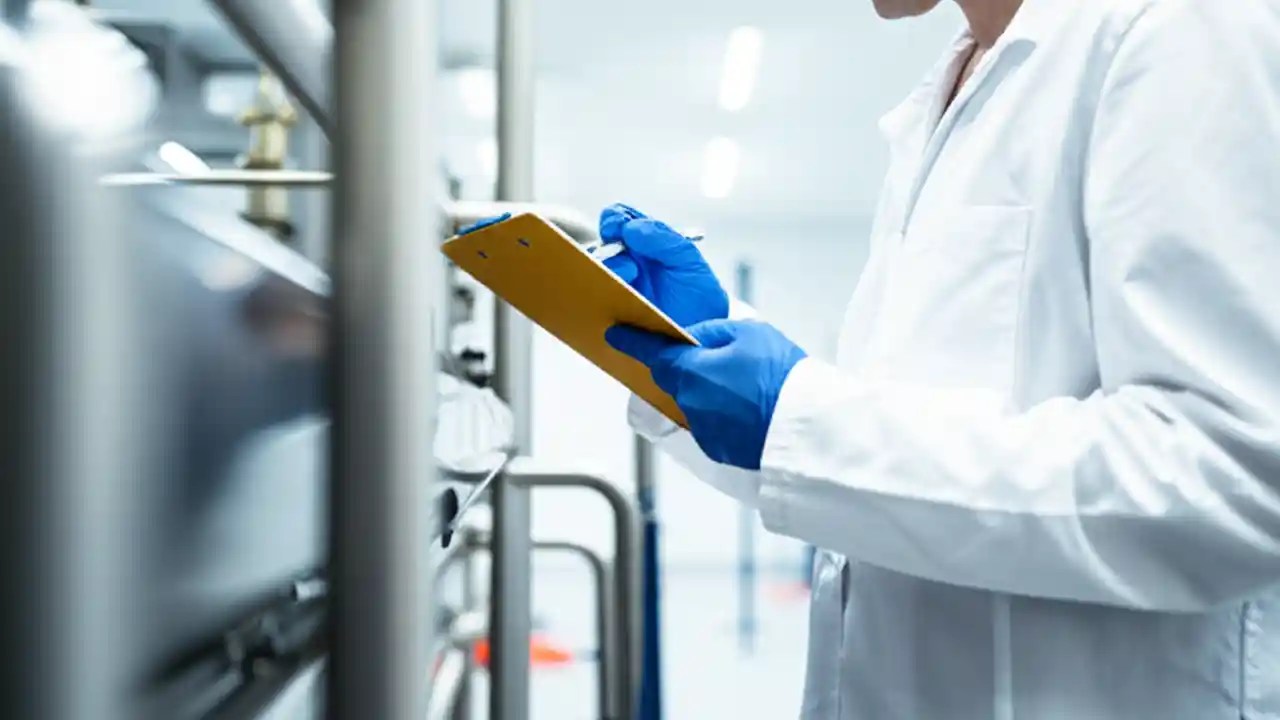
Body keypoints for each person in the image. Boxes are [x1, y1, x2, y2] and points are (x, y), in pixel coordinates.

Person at [598, 0, 1280, 718]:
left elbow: (1228, 477)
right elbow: (893, 471)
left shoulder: (1185, 30)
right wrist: (699, 359)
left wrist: (800, 420)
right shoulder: (958, 95)